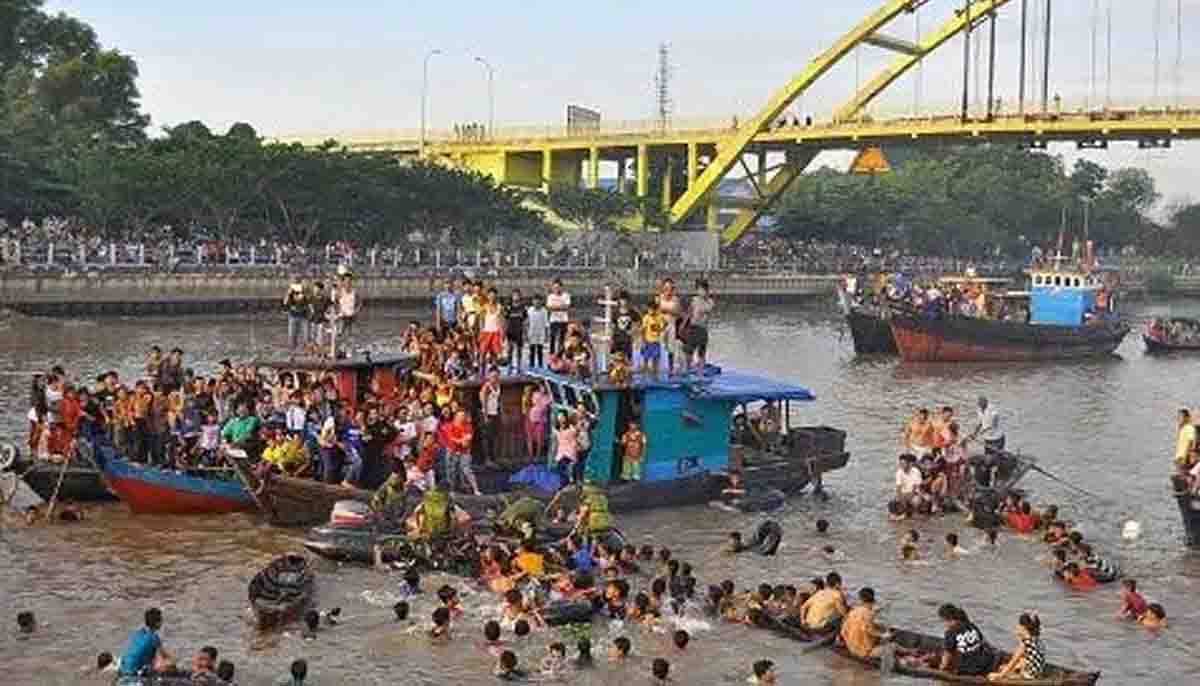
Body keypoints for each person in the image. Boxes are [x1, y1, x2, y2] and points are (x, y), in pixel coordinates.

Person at [938, 604, 994, 676]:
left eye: (944, 621)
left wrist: (941, 670)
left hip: (969, 669)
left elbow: (947, 657)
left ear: (948, 619)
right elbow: (982, 642)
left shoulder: (950, 633)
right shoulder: (972, 626)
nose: (945, 624)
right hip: (986, 664)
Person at [988, 613, 1046, 681]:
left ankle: (1013, 673)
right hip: (1038, 670)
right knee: (1019, 661)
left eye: (1019, 625)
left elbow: (1013, 661)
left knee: (994, 675)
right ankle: (1016, 669)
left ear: (1023, 628)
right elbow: (1029, 655)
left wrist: (1000, 675)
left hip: (1029, 675)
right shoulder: (1036, 639)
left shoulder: (1025, 644)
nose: (1017, 627)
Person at [118, 608, 174, 677]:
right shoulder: (153, 638)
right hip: (132, 675)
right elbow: (163, 659)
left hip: (122, 671)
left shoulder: (138, 633)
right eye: (161, 620)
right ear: (157, 623)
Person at [840, 587, 891, 658]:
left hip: (851, 647)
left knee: (879, 627)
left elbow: (843, 632)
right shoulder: (868, 614)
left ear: (860, 600)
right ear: (874, 601)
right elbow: (869, 630)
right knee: (892, 646)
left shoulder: (853, 611)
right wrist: (883, 635)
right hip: (864, 652)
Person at [683, 279, 715, 372]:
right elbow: (688, 313)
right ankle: (687, 369)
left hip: (703, 329)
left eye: (704, 290)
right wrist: (683, 325)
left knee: (702, 352)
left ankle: (700, 371)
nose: (702, 292)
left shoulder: (710, 302)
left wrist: (704, 300)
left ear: (707, 290)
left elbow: (707, 310)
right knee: (689, 351)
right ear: (697, 290)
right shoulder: (694, 300)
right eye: (699, 290)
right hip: (693, 327)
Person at [640, 300, 667, 378]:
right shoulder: (646, 317)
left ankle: (655, 376)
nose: (650, 311)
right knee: (646, 359)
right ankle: (644, 375)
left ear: (655, 309)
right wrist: (643, 342)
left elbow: (665, 323)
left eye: (652, 309)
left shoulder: (659, 317)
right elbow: (643, 330)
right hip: (647, 341)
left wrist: (662, 329)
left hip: (656, 342)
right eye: (649, 309)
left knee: (655, 360)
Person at [552, 412, 579, 486]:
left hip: (570, 451)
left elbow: (575, 440)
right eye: (559, 417)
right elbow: (555, 443)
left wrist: (574, 451)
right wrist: (554, 454)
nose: (560, 418)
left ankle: (566, 483)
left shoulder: (571, 428)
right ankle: (566, 483)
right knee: (559, 469)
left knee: (562, 466)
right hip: (560, 452)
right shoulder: (556, 429)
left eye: (562, 417)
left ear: (566, 417)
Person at [546, 279, 571, 356]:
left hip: (563, 320)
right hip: (554, 320)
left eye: (558, 287)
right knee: (552, 339)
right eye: (554, 287)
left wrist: (556, 307)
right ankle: (551, 356)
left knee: (562, 340)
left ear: (561, 287)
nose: (556, 289)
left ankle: (560, 356)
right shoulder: (550, 296)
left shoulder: (566, 295)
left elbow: (567, 307)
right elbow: (549, 307)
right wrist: (560, 307)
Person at [504, 290, 527, 372]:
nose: (516, 297)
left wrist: (525, 332)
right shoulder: (508, 307)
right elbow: (505, 320)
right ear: (512, 296)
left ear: (520, 296)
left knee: (519, 350)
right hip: (510, 330)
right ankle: (510, 365)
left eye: (517, 295)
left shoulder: (523, 308)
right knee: (510, 349)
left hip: (519, 330)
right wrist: (504, 331)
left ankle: (519, 365)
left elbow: (525, 321)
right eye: (514, 295)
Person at [284, 280, 309, 353]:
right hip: (293, 316)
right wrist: (288, 294)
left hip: (303, 317)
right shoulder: (290, 295)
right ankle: (292, 351)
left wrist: (304, 292)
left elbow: (307, 302)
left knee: (306, 335)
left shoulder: (304, 294)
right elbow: (285, 303)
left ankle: (305, 350)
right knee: (292, 335)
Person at [526, 297, 549, 368]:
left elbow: (546, 323)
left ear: (541, 302)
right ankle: (531, 364)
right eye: (535, 301)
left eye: (538, 301)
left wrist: (546, 334)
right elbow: (527, 322)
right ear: (533, 302)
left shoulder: (544, 311)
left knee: (540, 350)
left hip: (541, 332)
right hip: (531, 331)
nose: (537, 303)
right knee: (532, 349)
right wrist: (526, 333)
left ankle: (540, 364)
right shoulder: (529, 310)